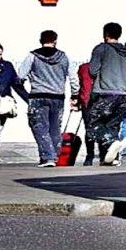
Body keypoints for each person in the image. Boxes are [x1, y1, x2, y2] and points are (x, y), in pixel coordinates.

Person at [17, 30, 75, 167]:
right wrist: (75, 94)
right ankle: (54, 155)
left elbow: (20, 77)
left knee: (39, 126)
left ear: (40, 40)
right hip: (58, 97)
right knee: (55, 127)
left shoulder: (32, 56)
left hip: (38, 95)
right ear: (55, 41)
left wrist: (26, 95)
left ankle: (48, 157)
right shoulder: (64, 56)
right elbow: (73, 77)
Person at [86, 22, 126, 166]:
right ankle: (111, 158)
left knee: (93, 123)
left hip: (105, 92)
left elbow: (93, 71)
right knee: (112, 126)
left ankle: (112, 142)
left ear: (105, 34)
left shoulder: (101, 49)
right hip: (125, 94)